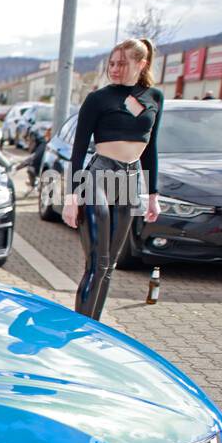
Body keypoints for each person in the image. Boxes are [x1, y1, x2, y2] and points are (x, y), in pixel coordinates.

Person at [63, 37, 163, 321]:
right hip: (98, 176)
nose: (115, 69)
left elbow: (151, 148)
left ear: (141, 64)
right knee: (97, 262)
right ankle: (80, 330)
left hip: (130, 178)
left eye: (123, 63)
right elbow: (79, 148)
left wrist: (153, 195)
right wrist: (72, 197)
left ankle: (93, 328)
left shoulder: (154, 97)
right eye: (112, 63)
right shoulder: (98, 98)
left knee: (110, 265)